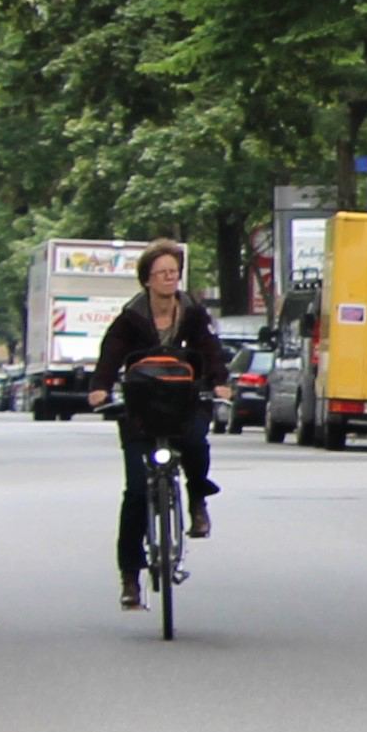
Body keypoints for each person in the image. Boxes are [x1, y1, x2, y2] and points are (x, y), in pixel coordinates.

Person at [95, 240, 226, 609]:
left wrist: (219, 381)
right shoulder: (131, 317)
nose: (170, 278)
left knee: (197, 443)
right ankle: (130, 577)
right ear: (147, 280)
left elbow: (210, 349)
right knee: (137, 492)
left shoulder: (192, 313)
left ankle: (197, 499)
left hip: (183, 402)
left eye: (174, 272)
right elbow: (111, 353)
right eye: (162, 273)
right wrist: (99, 387)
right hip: (140, 408)